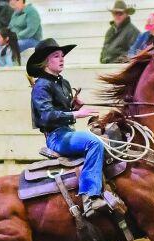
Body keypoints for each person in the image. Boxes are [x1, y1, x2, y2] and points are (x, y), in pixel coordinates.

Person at [27, 38, 107, 217]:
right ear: (45, 61)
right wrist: (75, 114)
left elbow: (62, 108)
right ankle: (90, 197)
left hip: (67, 132)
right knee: (94, 143)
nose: (61, 59)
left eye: (62, 56)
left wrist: (75, 106)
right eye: (56, 56)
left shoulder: (63, 83)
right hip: (56, 137)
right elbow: (46, 115)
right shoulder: (41, 86)